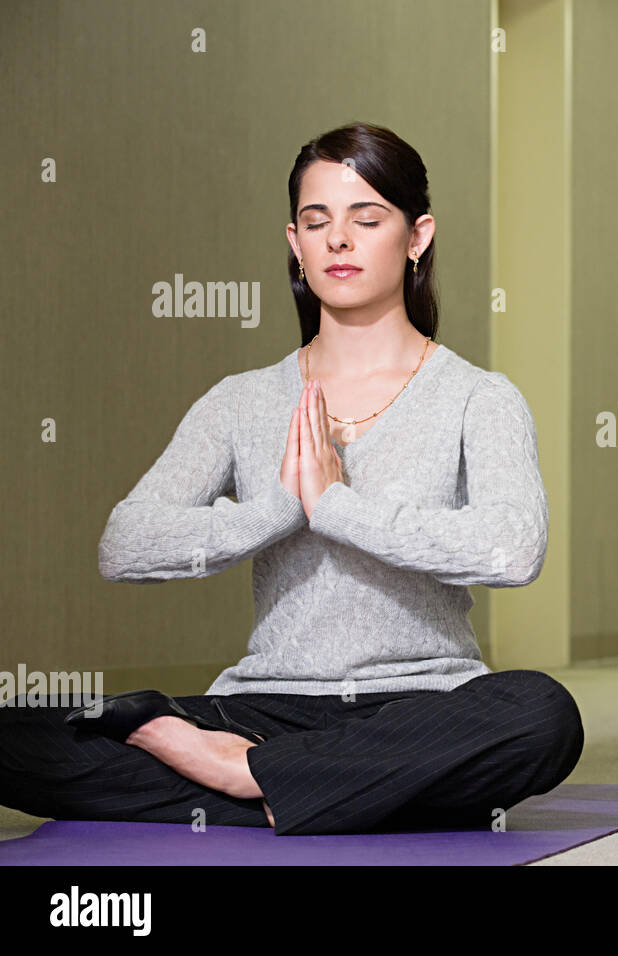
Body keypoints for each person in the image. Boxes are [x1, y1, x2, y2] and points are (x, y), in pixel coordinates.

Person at [0, 122, 583, 836]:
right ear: (296, 244)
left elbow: (512, 549)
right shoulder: (241, 398)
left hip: (422, 703)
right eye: (317, 221)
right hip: (263, 705)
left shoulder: (478, 397)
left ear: (416, 236)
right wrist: (277, 509)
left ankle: (244, 777)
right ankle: (326, 786)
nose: (338, 239)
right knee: (21, 732)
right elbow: (125, 544)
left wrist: (335, 506)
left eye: (366, 218)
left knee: (541, 715)